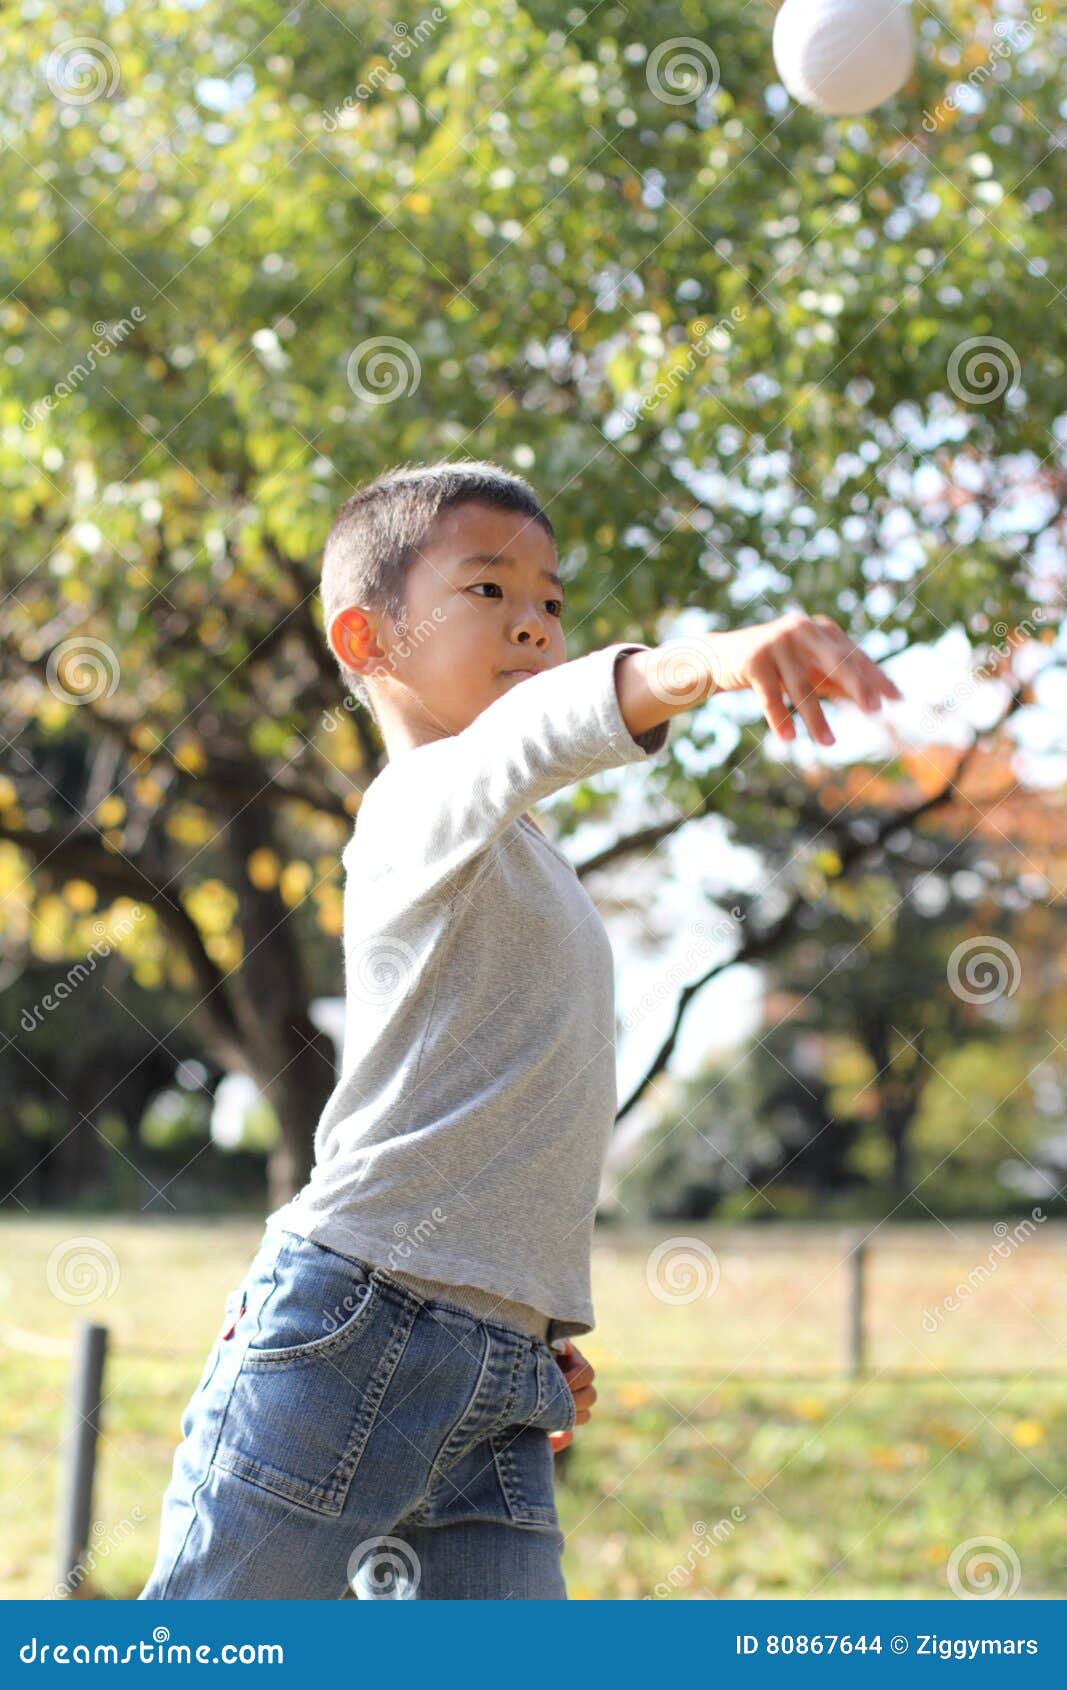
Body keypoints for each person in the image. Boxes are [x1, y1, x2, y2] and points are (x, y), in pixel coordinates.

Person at [139, 460, 901, 1601]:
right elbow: (530, 740)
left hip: (498, 1372)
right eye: (489, 591)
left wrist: (516, 1313)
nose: (535, 624)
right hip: (352, 1321)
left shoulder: (527, 860)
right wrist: (709, 660)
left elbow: (513, 1097)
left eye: (550, 600)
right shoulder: (415, 803)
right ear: (367, 640)